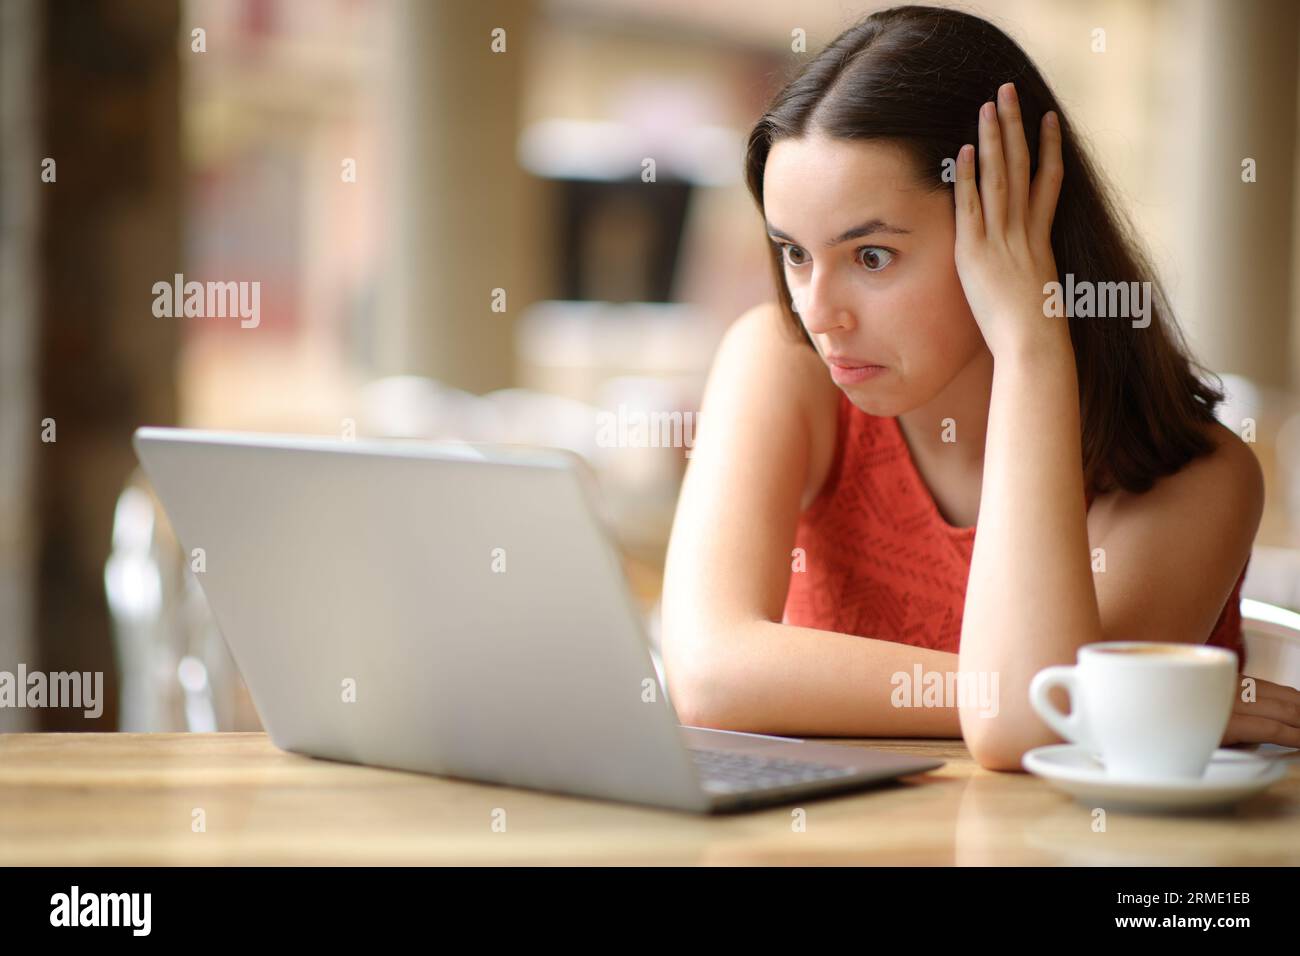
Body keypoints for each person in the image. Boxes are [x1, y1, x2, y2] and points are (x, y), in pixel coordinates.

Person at [660, 4, 1300, 770]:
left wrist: (1032, 339)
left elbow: (1023, 732)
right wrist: (1051, 695)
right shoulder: (781, 361)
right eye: (795, 253)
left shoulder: (1195, 480)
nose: (818, 312)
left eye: (871, 257)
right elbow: (705, 677)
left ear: (1017, 226)